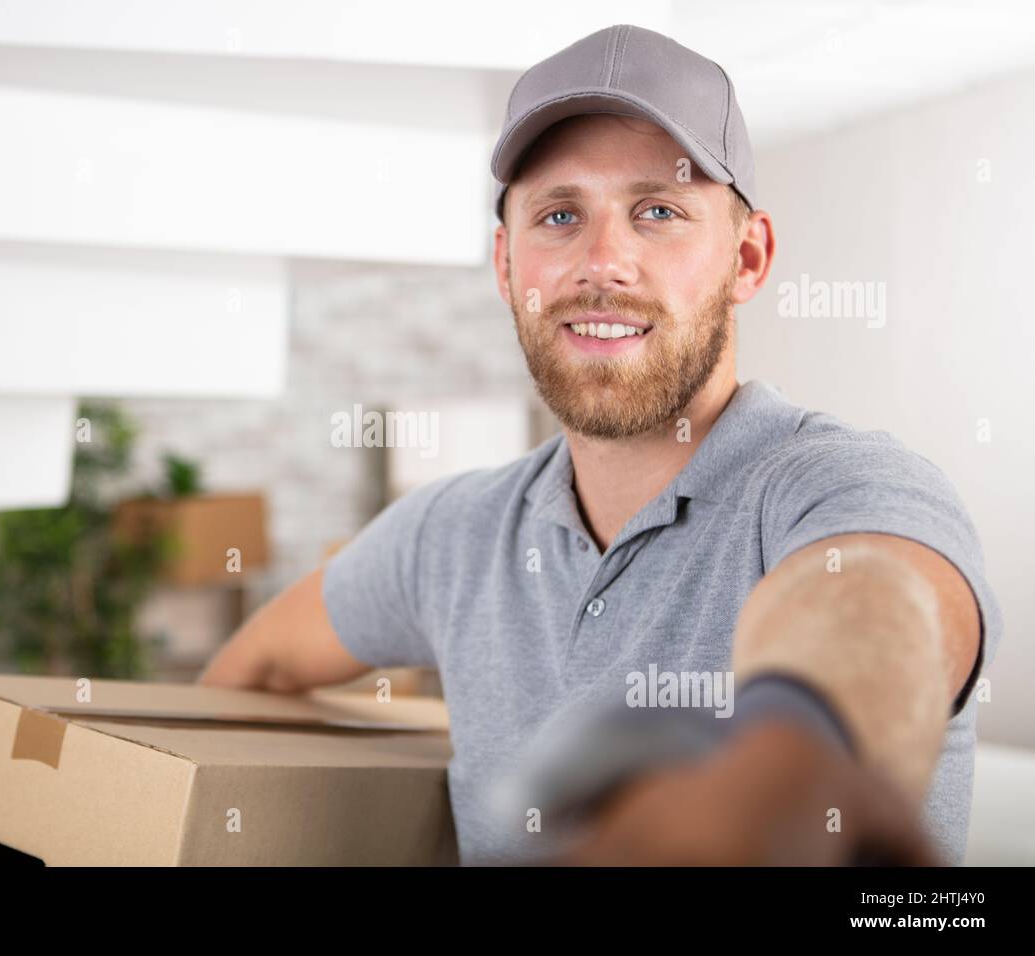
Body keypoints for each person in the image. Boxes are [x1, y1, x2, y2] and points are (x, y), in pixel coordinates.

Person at [198, 24, 1002, 866]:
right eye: (559, 215)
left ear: (749, 257)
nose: (602, 262)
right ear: (508, 266)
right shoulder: (452, 533)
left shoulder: (837, 483)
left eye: (658, 211)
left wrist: (786, 749)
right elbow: (258, 664)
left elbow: (883, 607)